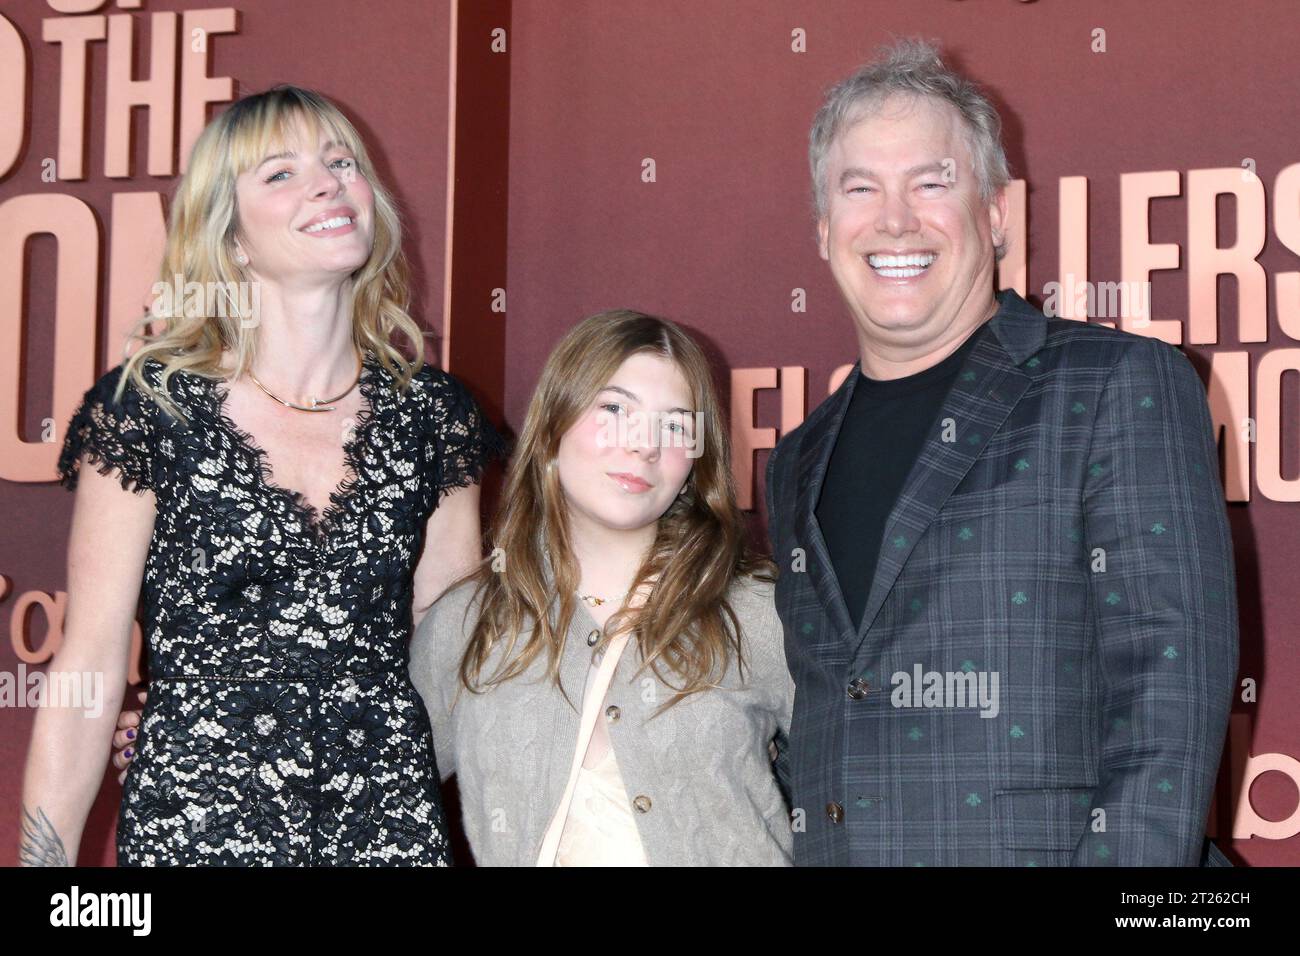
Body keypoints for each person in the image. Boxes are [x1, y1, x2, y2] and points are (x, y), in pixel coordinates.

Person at [764, 38, 1239, 866]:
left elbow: (1169, 694)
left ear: (995, 213)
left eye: (931, 181)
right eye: (860, 187)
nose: (895, 218)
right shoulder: (795, 460)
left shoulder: (1115, 385)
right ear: (823, 228)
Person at [20, 85, 505, 866]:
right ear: (232, 239)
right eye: (280, 173)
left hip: (386, 834)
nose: (326, 182)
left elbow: (455, 666)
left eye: (341, 162)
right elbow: (90, 664)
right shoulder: (151, 406)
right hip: (196, 829)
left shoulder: (432, 416)